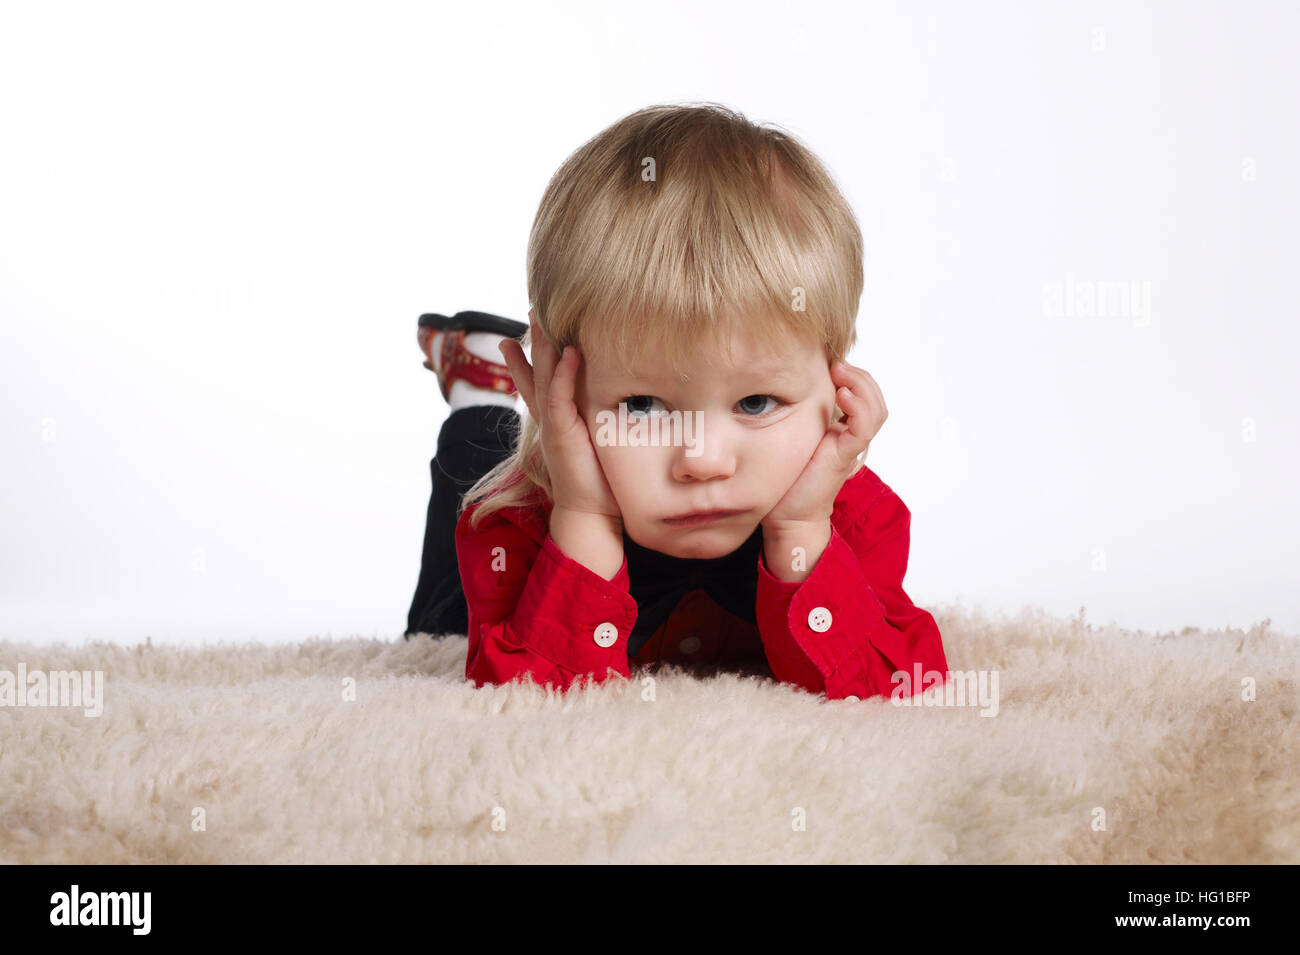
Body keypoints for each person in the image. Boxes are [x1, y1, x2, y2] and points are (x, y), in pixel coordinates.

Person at [404, 102, 949, 701]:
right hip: (537, 495)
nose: (703, 460)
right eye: (641, 406)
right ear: (555, 388)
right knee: (440, 619)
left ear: (834, 381)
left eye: (757, 401)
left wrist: (800, 527)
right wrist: (583, 516)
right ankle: (479, 396)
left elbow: (896, 693)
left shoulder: (854, 517)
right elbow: (523, 703)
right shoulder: (516, 526)